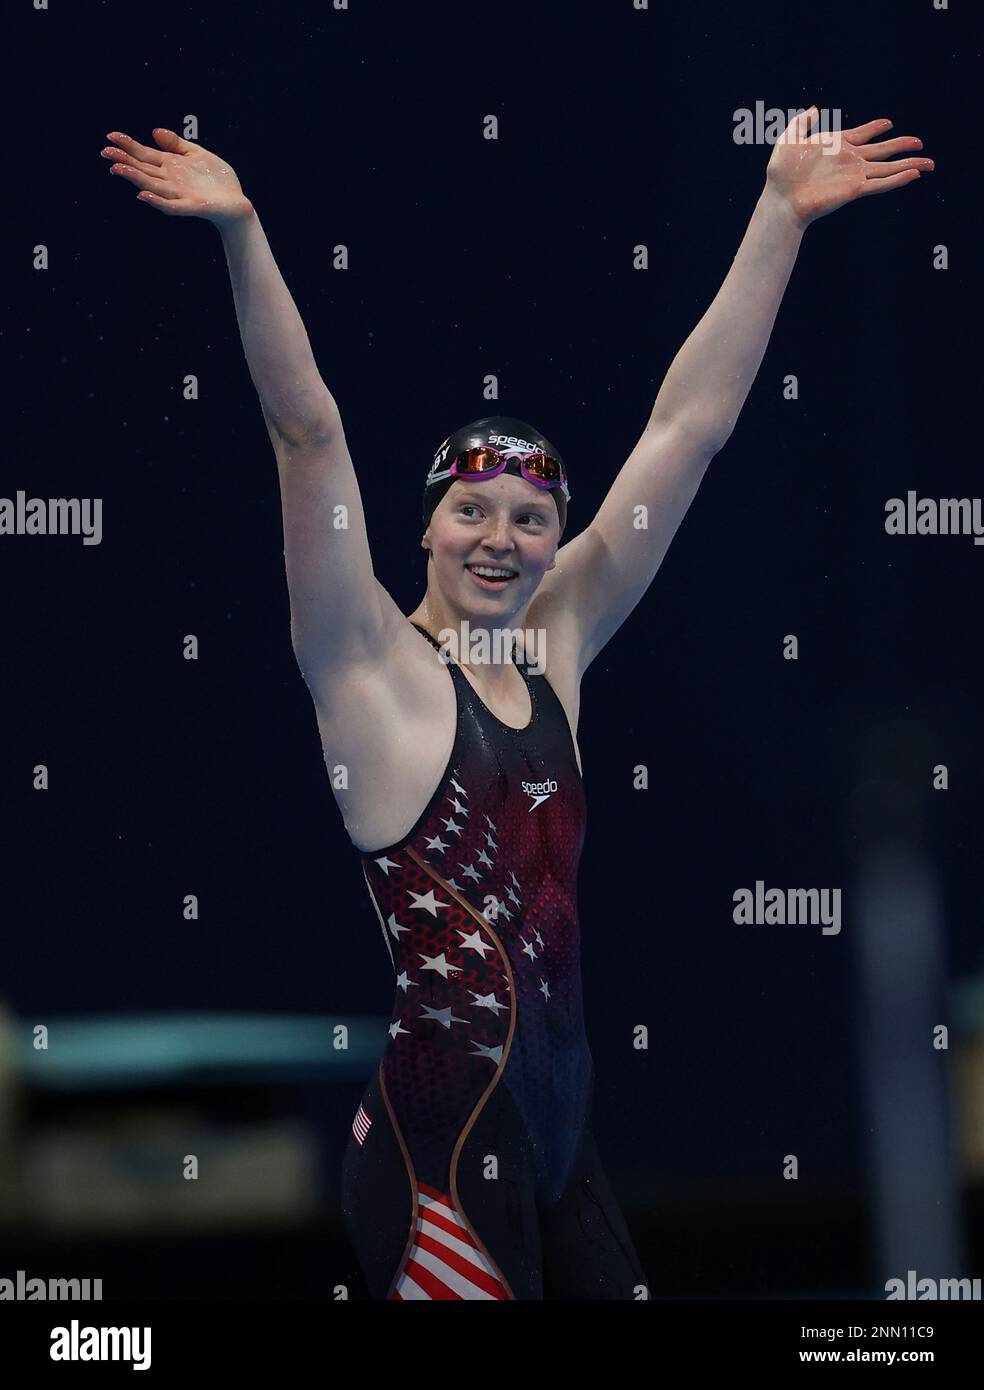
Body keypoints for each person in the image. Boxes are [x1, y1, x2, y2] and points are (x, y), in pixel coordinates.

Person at [101, 108, 933, 1299]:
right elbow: (305, 427)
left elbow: (686, 431)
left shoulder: (560, 642)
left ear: (555, 543)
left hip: (561, 1147)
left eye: (531, 519)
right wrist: (243, 230)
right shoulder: (365, 665)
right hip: (437, 1154)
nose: (502, 539)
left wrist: (777, 215)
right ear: (425, 527)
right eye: (473, 512)